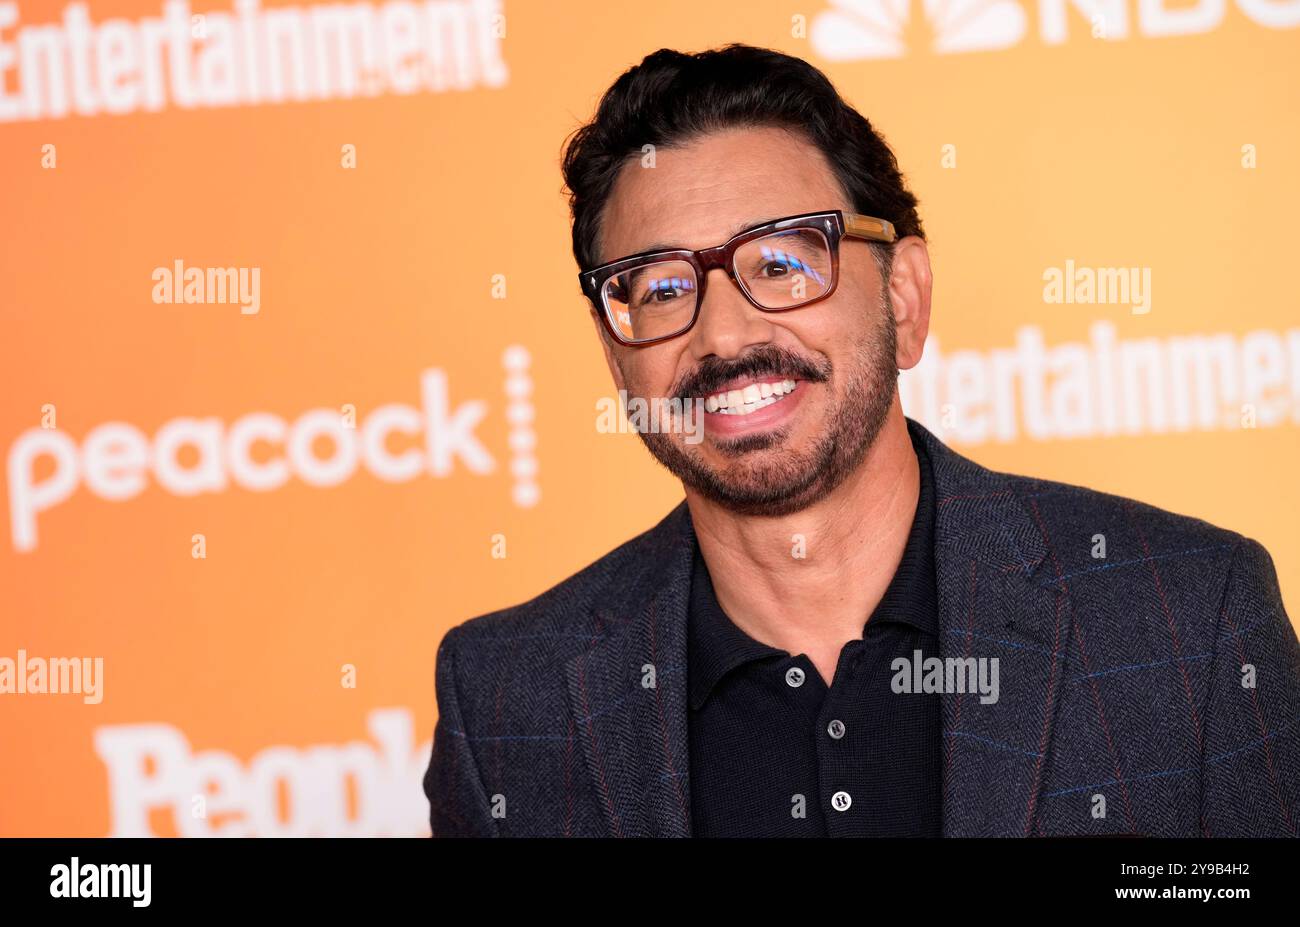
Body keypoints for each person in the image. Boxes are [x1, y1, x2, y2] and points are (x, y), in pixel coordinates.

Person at [423, 43, 1299, 837]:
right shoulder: (503, 700)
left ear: (905, 300)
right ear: (619, 362)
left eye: (781, 264)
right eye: (658, 288)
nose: (722, 336)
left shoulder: (1189, 617)